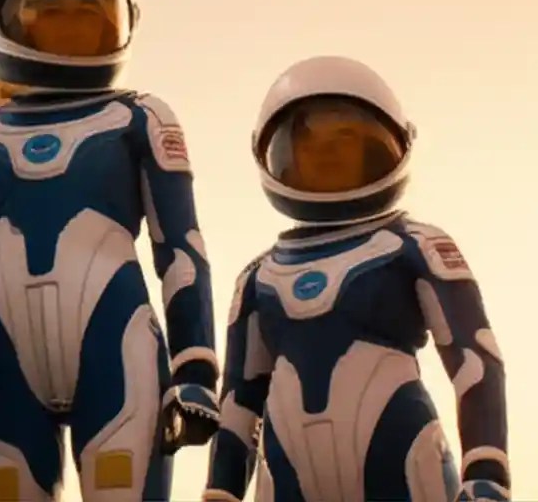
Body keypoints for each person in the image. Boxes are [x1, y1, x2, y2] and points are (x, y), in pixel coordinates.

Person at [0, 0, 220, 501]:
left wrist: (196, 368)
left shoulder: (141, 119)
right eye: (48, 13)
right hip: (0, 363)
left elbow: (180, 248)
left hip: (118, 344)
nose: (69, 29)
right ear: (8, 21)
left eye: (88, 12)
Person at [202, 55, 510, 502]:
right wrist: (221, 491)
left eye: (344, 137)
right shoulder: (258, 277)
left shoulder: (415, 246)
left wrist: (486, 472)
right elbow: (239, 401)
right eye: (310, 139)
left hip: (403, 463)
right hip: (287, 475)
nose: (327, 150)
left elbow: (475, 360)